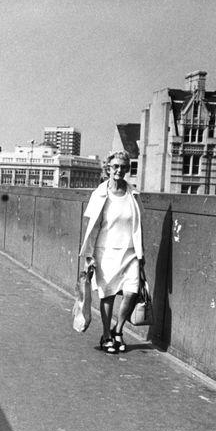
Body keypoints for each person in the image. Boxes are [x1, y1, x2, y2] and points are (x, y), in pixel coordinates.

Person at [78, 151, 145, 354]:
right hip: (105, 252)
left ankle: (118, 330)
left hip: (131, 252)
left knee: (132, 292)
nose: (119, 170)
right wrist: (89, 256)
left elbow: (139, 225)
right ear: (108, 168)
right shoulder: (99, 194)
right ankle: (107, 334)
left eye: (123, 167)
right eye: (115, 166)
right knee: (107, 295)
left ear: (127, 169)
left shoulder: (133, 195)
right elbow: (91, 227)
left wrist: (143, 254)